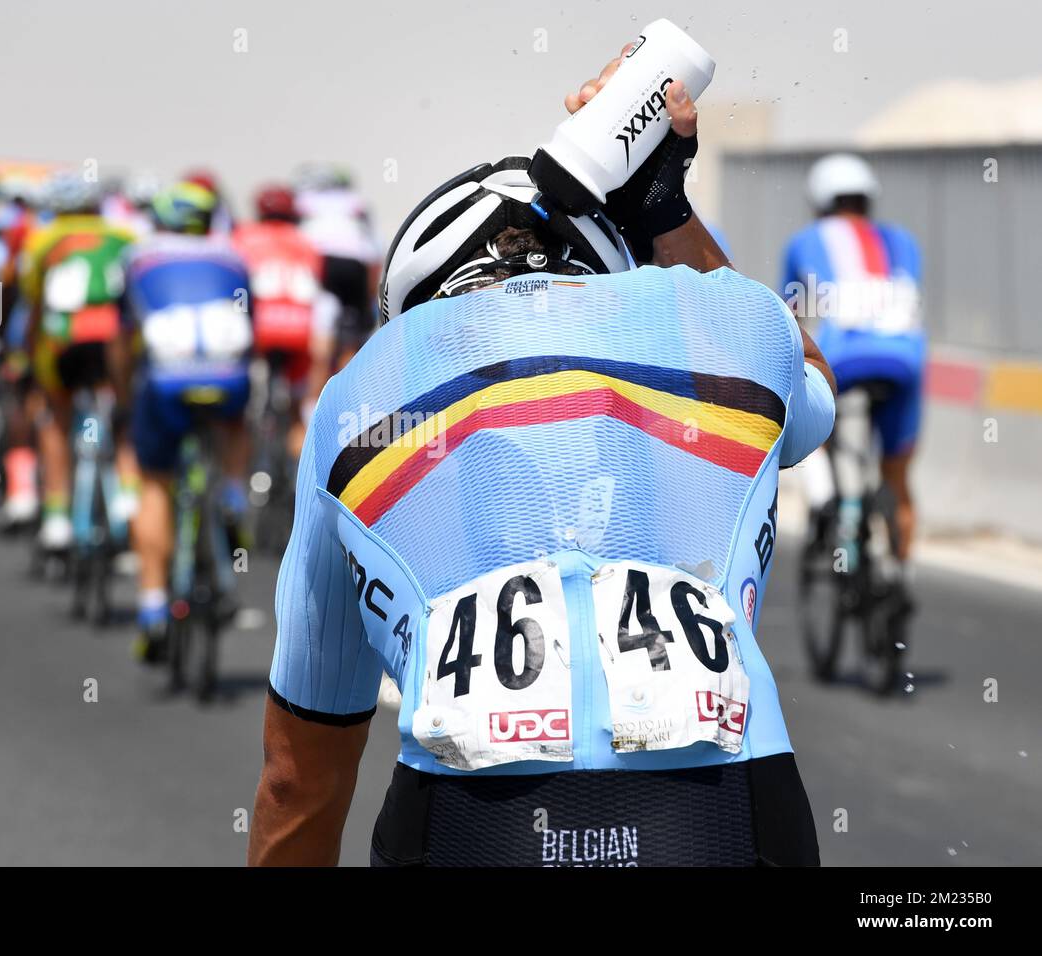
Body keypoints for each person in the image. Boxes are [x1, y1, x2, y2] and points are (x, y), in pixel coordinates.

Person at [249, 45, 837, 867]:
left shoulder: (360, 390)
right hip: (726, 807)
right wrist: (666, 211)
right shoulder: (721, 316)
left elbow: (298, 776)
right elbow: (813, 393)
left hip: (471, 818)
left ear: (417, 305)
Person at [123, 180, 255, 663]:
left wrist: (122, 396)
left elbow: (126, 336)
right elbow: (250, 333)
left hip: (165, 383)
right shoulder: (234, 258)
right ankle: (234, 494)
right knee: (237, 423)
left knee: (155, 484)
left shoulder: (139, 257)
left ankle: (154, 606)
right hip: (227, 379)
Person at [781, 154, 924, 565]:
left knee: (813, 415)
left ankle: (831, 501)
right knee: (898, 479)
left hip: (846, 361)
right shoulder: (903, 241)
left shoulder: (807, 240)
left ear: (819, 201)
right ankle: (900, 578)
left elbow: (787, 318)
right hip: (905, 364)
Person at [18, 171, 136, 554]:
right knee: (123, 416)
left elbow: (34, 303)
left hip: (65, 339)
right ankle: (128, 496)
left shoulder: (42, 240)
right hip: (112, 339)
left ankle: (55, 517)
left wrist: (25, 354)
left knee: (56, 420)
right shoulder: (126, 236)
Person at [232, 184, 338, 460]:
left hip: (260, 330)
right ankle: (300, 450)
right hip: (300, 332)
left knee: (238, 409)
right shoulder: (307, 242)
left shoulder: (242, 237)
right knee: (298, 407)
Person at [291, 164, 381, 368]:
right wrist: (368, 302)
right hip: (355, 264)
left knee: (322, 325)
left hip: (319, 262)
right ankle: (347, 381)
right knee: (354, 334)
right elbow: (375, 254)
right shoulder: (357, 203)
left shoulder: (302, 200)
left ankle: (311, 395)